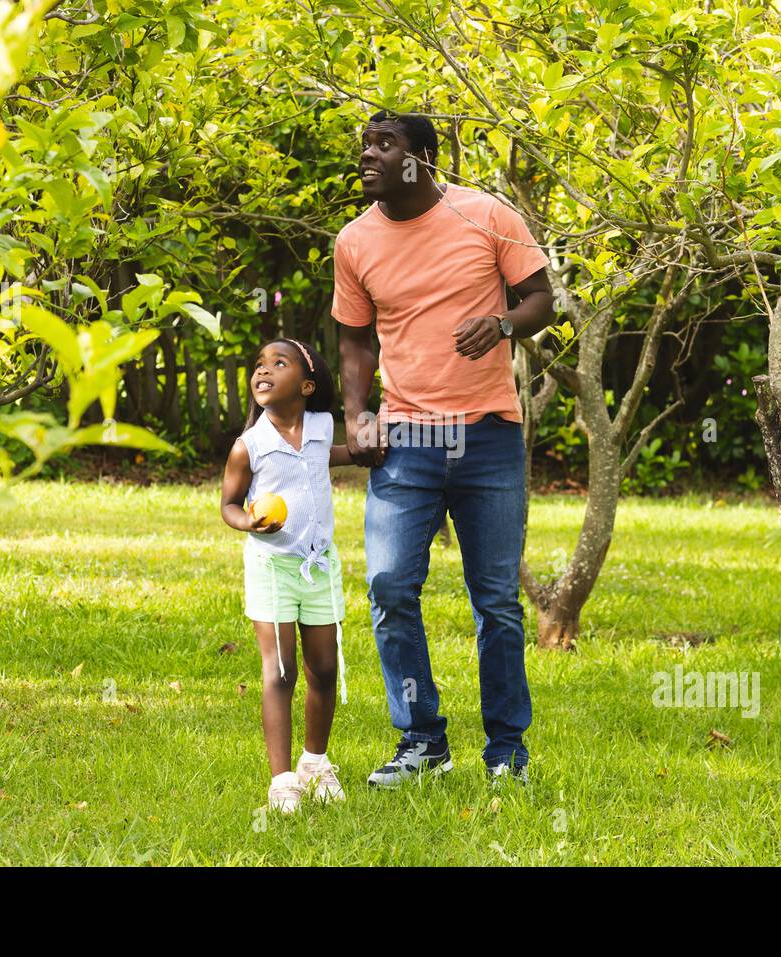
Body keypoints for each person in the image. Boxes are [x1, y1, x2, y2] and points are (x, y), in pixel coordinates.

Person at [332, 110, 556, 786]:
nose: (369, 155)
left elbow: (541, 300)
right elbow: (352, 338)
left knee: (495, 599)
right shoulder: (354, 241)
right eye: (365, 145)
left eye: (385, 144)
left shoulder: (487, 216)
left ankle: (507, 751)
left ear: (424, 158)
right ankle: (422, 739)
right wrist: (357, 413)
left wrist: (502, 323)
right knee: (390, 584)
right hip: (406, 436)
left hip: (488, 433)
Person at [220, 338, 353, 813]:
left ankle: (315, 763)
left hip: (319, 565)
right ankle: (282, 781)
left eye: (280, 363)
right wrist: (248, 521)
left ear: (307, 384)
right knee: (281, 671)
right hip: (272, 568)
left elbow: (326, 456)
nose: (264, 371)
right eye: (259, 365)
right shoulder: (249, 445)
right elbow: (228, 505)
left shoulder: (320, 426)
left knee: (323, 668)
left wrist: (365, 452)